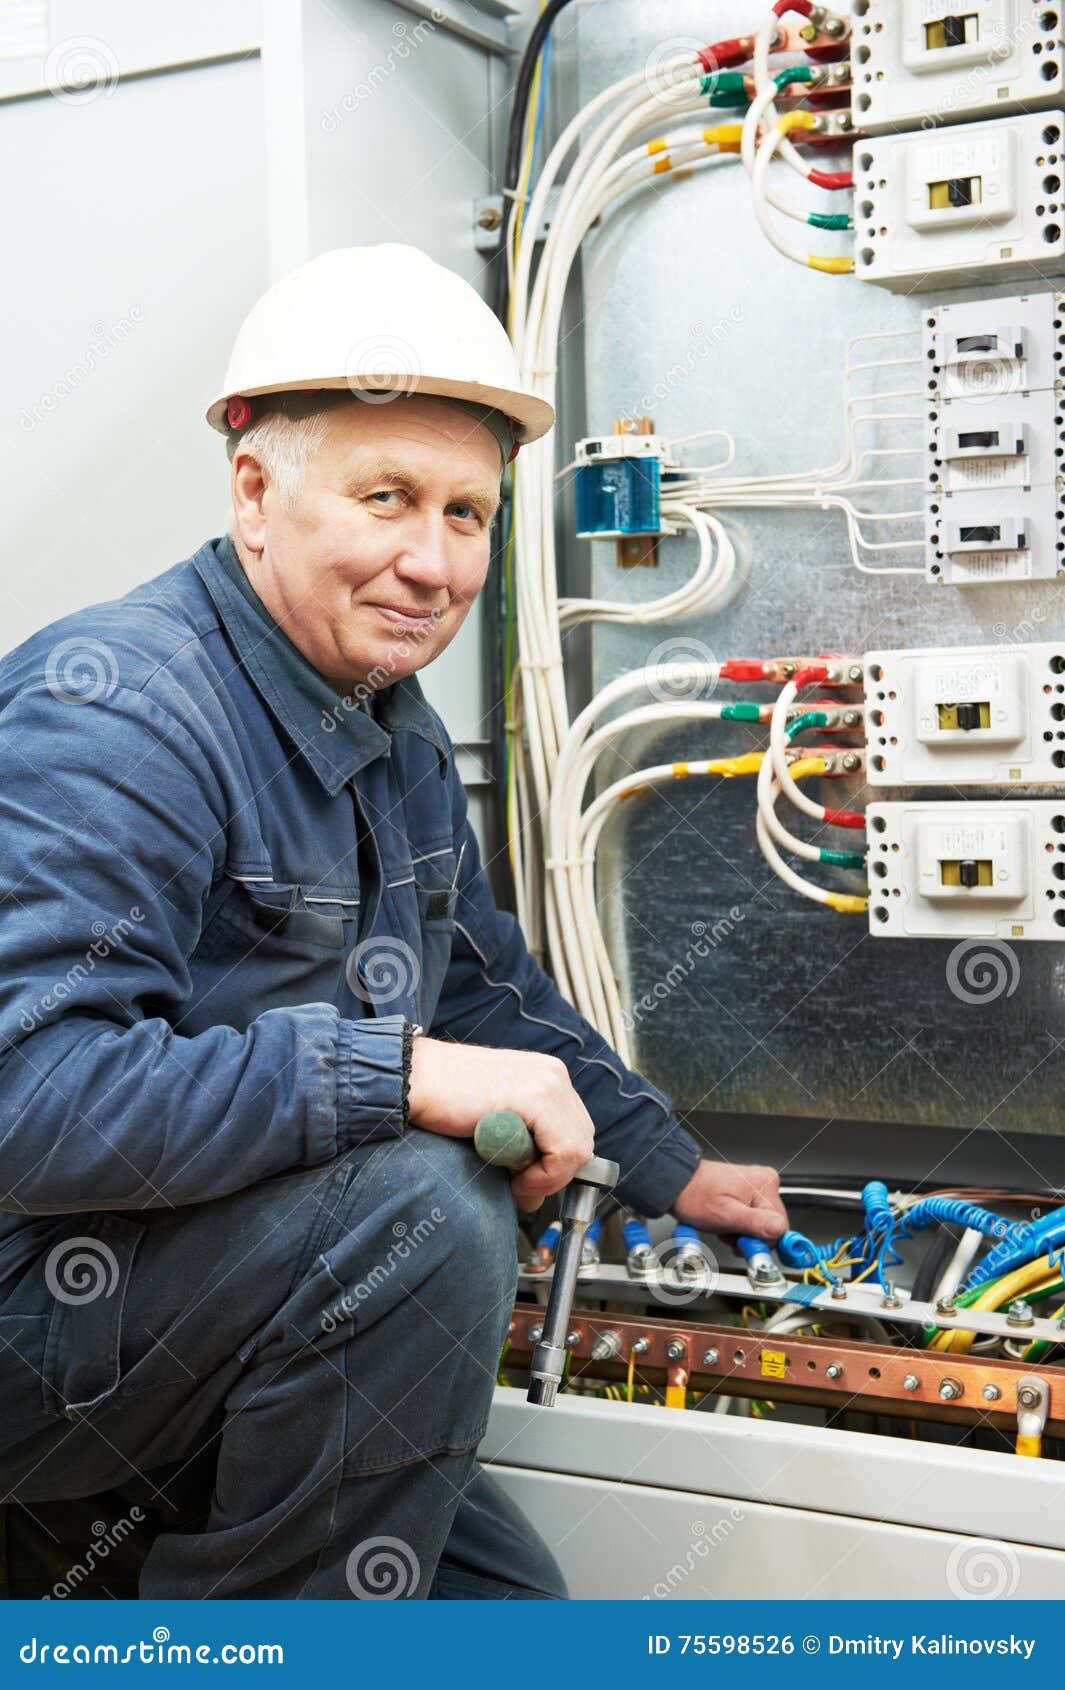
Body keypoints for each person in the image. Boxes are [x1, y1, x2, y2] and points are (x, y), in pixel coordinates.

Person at [0, 244, 788, 1598]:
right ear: (256, 493)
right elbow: (33, 1095)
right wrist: (398, 1073)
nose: (432, 562)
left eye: (467, 514)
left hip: (200, 1312)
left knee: (508, 1624)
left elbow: (483, 988)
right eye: (386, 499)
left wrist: (667, 1162)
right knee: (425, 1199)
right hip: (46, 1319)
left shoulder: (391, 734)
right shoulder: (120, 712)